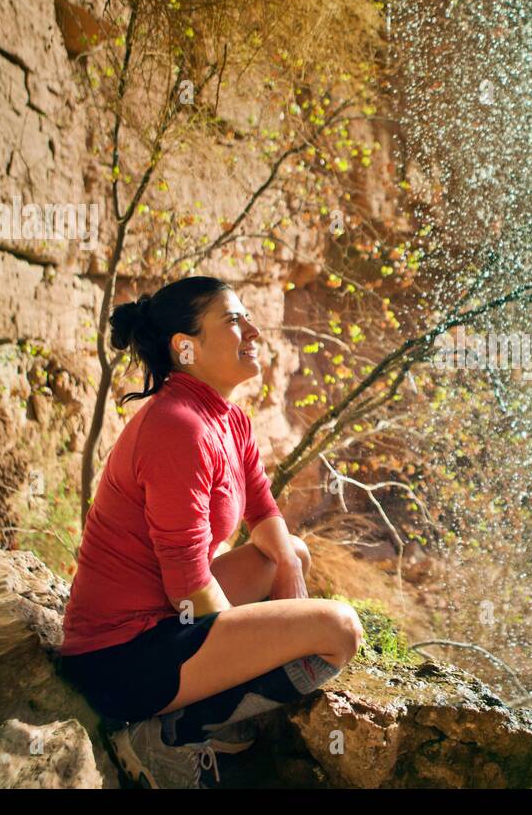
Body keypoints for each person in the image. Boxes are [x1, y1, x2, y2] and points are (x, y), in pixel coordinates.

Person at [56, 276, 363, 788]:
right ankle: (173, 732)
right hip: (119, 660)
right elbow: (187, 584)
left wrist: (287, 566)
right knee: (339, 630)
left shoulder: (227, 420)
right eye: (234, 321)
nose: (255, 331)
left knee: (291, 555)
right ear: (186, 348)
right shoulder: (177, 427)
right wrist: (247, 650)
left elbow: (263, 511)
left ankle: (203, 714)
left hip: (161, 621)